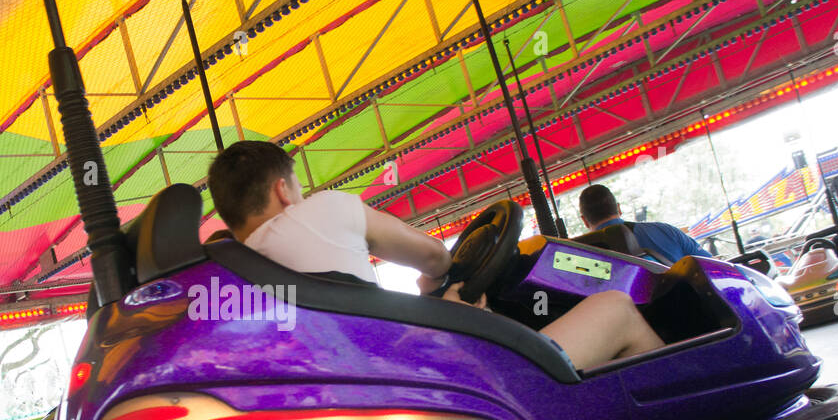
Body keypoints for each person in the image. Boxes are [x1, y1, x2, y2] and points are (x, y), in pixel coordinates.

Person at [206, 141, 664, 370]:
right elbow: (431, 256)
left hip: (377, 380)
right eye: (298, 190)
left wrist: (432, 305)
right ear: (283, 190)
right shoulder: (321, 210)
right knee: (617, 309)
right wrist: (441, 280)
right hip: (429, 377)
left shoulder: (232, 274)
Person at [578, 184, 711, 265]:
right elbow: (710, 265)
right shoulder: (665, 231)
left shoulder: (580, 256)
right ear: (618, 208)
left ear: (584, 220)